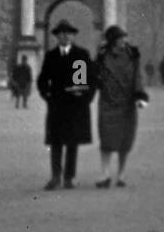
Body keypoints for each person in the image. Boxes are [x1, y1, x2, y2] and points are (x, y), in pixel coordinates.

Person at [37, 19, 97, 190]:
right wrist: (46, 96)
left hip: (75, 106)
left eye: (68, 33)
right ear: (57, 36)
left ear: (72, 35)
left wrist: (86, 99)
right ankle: (55, 176)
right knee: (55, 143)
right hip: (56, 105)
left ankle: (69, 177)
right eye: (61, 33)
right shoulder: (51, 56)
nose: (65, 36)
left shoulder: (82, 55)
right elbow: (42, 80)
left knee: (72, 143)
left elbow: (90, 81)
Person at [94, 25, 148, 188]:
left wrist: (139, 95)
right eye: (120, 38)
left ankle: (122, 174)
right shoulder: (102, 55)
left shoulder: (132, 55)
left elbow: (138, 76)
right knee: (107, 140)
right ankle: (105, 174)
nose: (124, 40)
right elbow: (94, 75)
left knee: (125, 140)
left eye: (124, 37)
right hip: (108, 101)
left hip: (127, 102)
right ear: (112, 41)